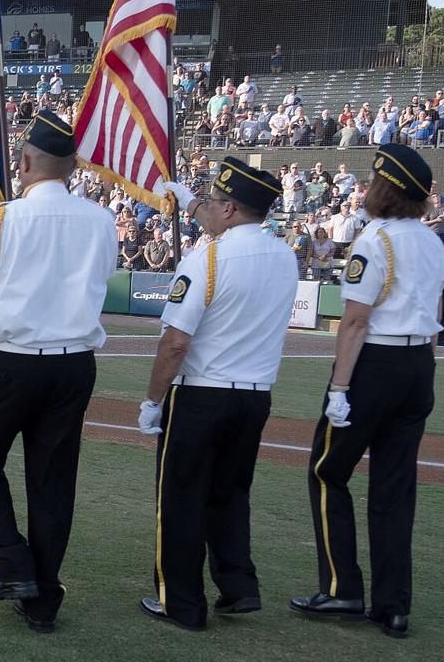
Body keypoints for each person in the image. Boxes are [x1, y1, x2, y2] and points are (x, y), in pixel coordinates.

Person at [0, 112, 117, 635]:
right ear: (71, 167)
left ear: (24, 162)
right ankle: (43, 601)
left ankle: (12, 563)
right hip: (73, 364)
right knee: (53, 482)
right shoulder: (101, 221)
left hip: (11, 360)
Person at [290, 144, 444, 640]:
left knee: (327, 471)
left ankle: (342, 588)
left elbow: (356, 321)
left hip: (375, 365)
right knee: (394, 490)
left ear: (384, 190)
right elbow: (433, 316)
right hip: (418, 364)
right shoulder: (432, 242)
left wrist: (340, 387)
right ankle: (393, 606)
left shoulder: (374, 239)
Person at [136, 158, 298, 632]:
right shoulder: (284, 255)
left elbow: (176, 342)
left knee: (181, 497)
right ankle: (238, 584)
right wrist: (189, 201)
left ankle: (181, 601)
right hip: (255, 395)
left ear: (229, 209)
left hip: (202, 394)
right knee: (230, 494)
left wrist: (152, 401)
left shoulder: (206, 258)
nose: (206, 207)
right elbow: (212, 220)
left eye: (214, 201)